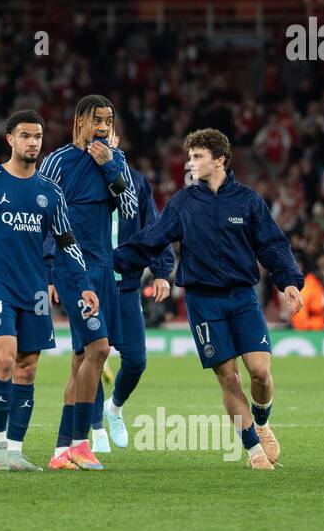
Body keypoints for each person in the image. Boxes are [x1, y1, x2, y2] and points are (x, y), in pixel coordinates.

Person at [114, 129, 305, 472]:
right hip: (203, 302)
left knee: (260, 372)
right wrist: (110, 259)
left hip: (243, 298)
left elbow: (273, 245)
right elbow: (152, 239)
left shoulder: (248, 200)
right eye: (190, 157)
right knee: (228, 378)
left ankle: (261, 422)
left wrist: (289, 281)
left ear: (220, 160)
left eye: (198, 157)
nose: (191, 163)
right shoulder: (184, 203)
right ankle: (253, 451)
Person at [0, 110, 96, 472]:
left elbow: (67, 243)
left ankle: (14, 451)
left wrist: (86, 285)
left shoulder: (51, 192)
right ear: (10, 139)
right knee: (3, 358)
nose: (33, 142)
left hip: (33, 288)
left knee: (27, 369)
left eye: (38, 136)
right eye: (26, 136)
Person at [38, 95, 132, 467]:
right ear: (80, 120)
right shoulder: (58, 161)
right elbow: (40, 214)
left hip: (103, 267)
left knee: (81, 358)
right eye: (97, 119)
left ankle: (63, 449)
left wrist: (110, 166)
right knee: (98, 350)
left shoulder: (115, 159)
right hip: (72, 267)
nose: (104, 126)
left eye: (108, 119)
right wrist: (47, 273)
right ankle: (79, 442)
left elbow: (129, 209)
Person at [90, 143, 174, 454]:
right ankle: (96, 426)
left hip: (125, 284)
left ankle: (114, 408)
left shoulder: (136, 182)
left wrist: (162, 270)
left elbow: (155, 227)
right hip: (90, 282)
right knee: (92, 357)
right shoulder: (79, 178)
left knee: (136, 361)